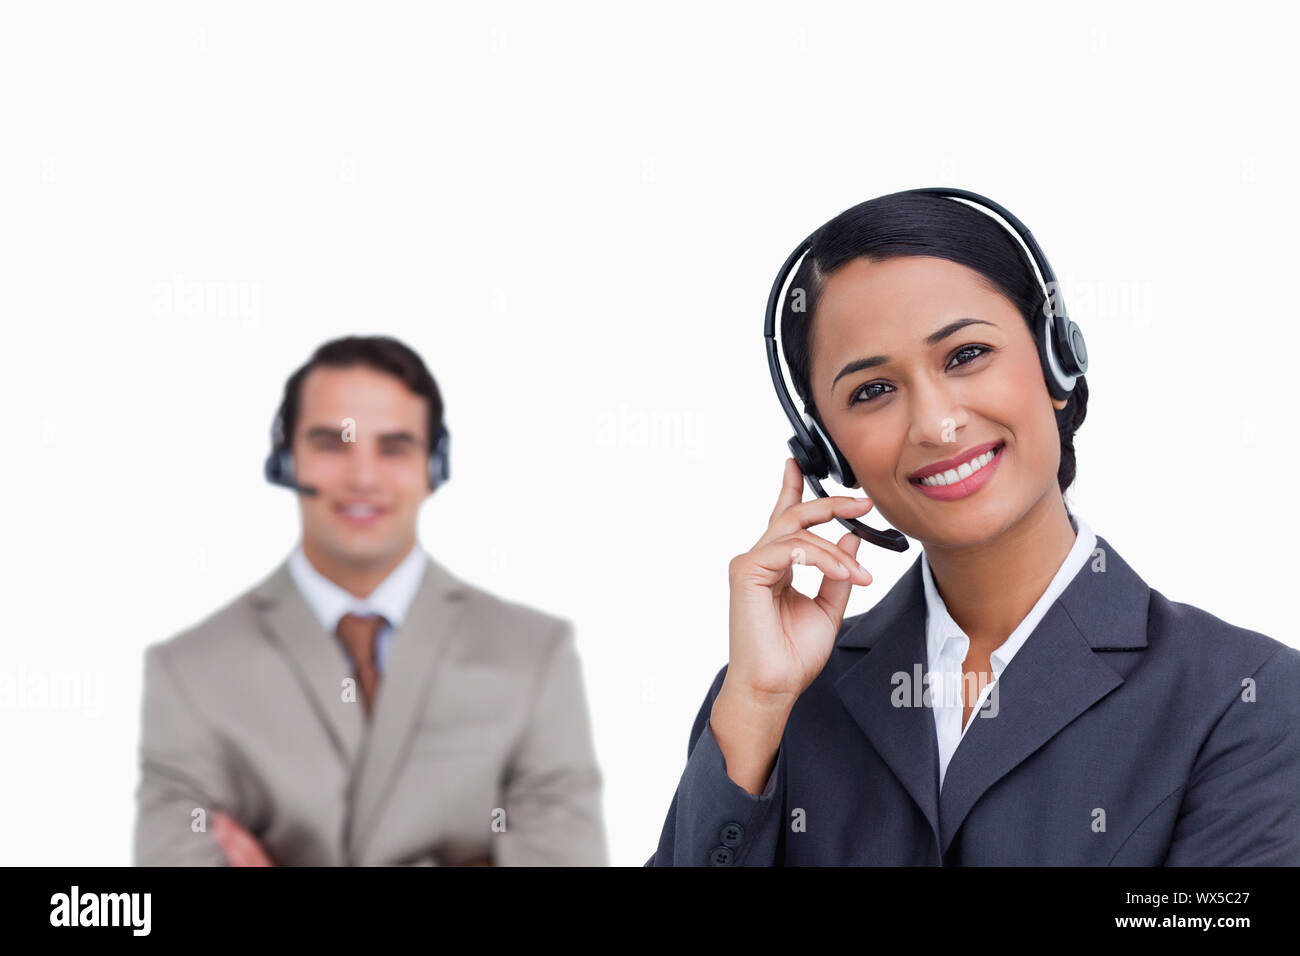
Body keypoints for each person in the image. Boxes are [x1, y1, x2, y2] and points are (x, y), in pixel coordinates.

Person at [647, 191, 1300, 866]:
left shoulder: (1249, 698)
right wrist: (757, 706)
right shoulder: (772, 700)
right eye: (872, 391)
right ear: (828, 453)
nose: (936, 423)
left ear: (1056, 365)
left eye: (966, 354)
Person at [133, 335, 607, 866]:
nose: (363, 478)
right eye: (332, 444)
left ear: (435, 466)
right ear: (287, 460)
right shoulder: (188, 669)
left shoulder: (534, 654)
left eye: (394, 447)